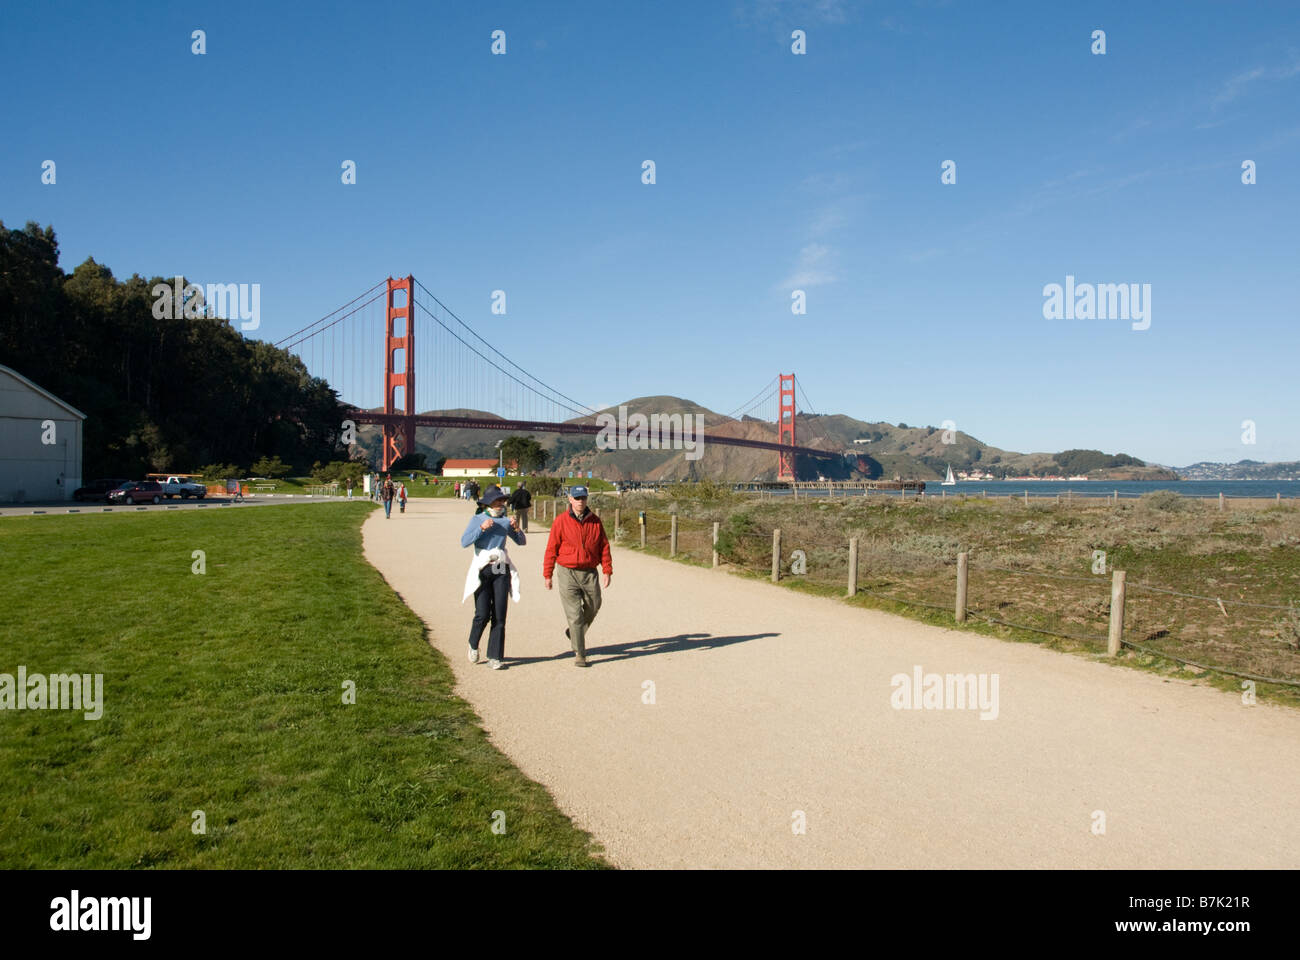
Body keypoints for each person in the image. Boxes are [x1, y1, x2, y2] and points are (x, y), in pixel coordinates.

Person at [542, 485, 611, 667]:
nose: (580, 502)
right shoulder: (560, 521)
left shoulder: (595, 521)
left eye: (583, 498)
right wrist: (547, 574)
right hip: (567, 572)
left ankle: (574, 632)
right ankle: (580, 653)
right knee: (574, 615)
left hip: (589, 572)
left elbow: (604, 546)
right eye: (577, 498)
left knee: (595, 604)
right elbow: (551, 549)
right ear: (570, 499)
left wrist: (607, 570)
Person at [461, 485, 525, 670]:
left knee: (499, 613)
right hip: (482, 567)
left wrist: (516, 529)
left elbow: (521, 542)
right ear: (488, 503)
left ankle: (495, 656)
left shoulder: (505, 522)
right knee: (482, 614)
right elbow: (464, 541)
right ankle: (473, 644)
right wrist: (481, 529)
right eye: (498, 501)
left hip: (500, 568)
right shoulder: (477, 519)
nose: (501, 504)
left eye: (502, 501)